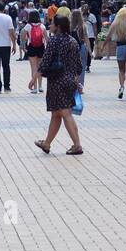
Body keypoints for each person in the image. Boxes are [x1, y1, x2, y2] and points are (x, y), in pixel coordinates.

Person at [34, 12, 83, 155]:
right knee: (56, 114)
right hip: (69, 81)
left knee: (65, 113)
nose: (50, 25)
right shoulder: (73, 41)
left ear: (58, 26)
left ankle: (77, 145)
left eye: (52, 23)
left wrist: (34, 78)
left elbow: (46, 61)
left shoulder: (54, 41)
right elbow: (79, 66)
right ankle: (47, 143)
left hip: (57, 81)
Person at [24, 9, 46, 93]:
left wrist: (23, 45)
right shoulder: (42, 26)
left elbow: (22, 36)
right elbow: (46, 38)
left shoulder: (28, 26)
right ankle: (40, 87)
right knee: (40, 67)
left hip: (32, 47)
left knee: (33, 68)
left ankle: (35, 88)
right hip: (41, 47)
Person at [70, 8, 90, 86]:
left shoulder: (69, 27)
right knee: (82, 67)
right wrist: (90, 51)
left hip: (71, 48)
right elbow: (86, 39)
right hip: (82, 47)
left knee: (71, 67)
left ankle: (72, 83)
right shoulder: (83, 26)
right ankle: (80, 85)